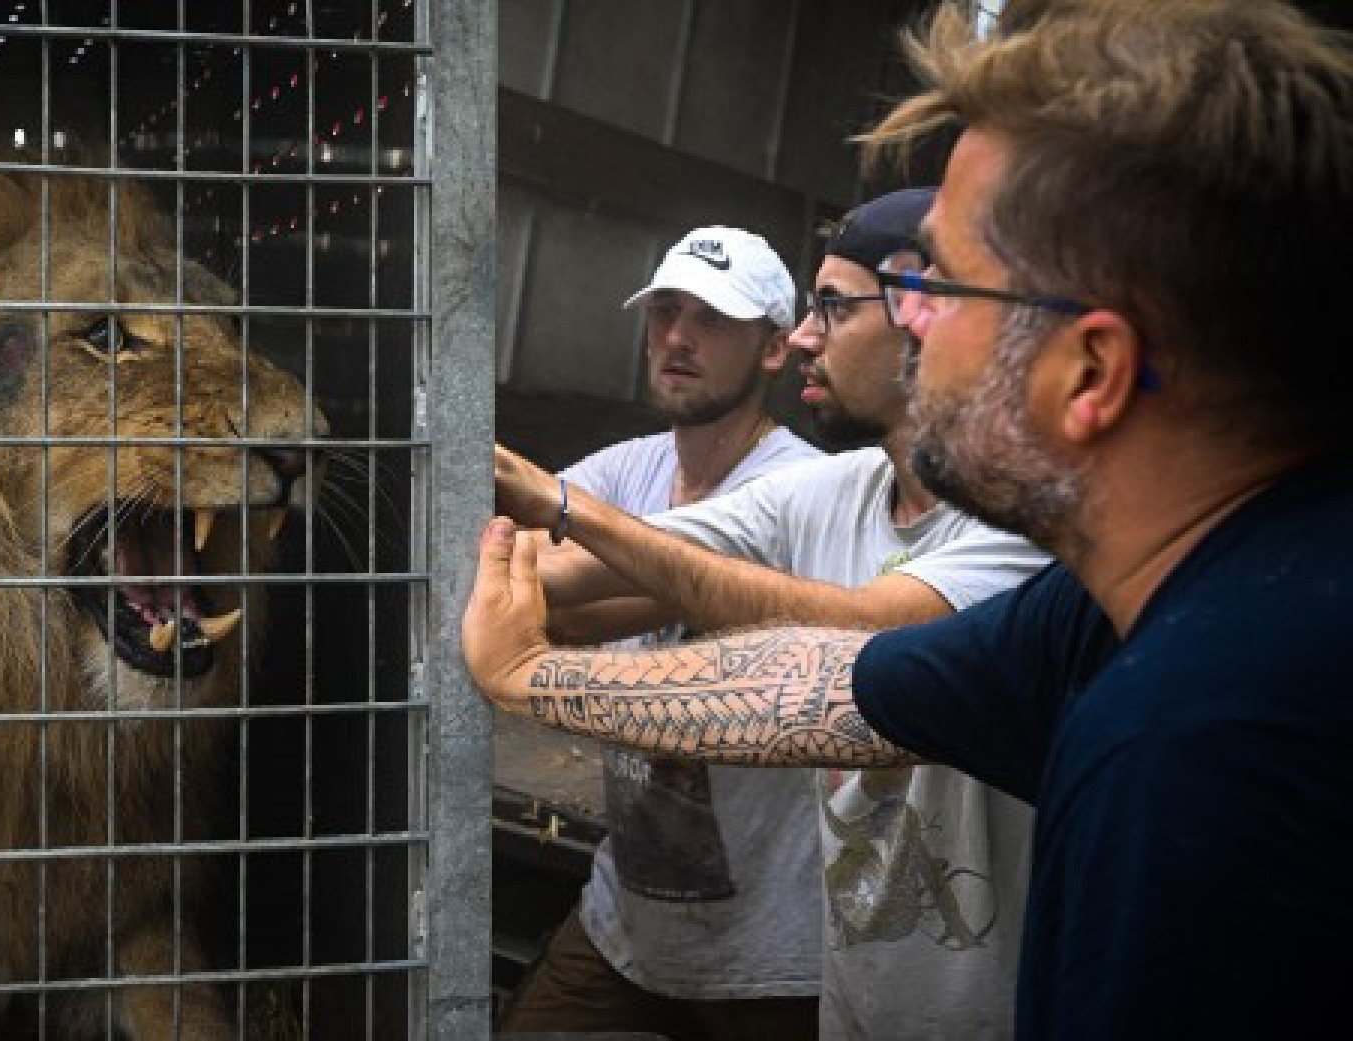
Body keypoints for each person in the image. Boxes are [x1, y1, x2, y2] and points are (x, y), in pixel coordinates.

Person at [462, 1, 1353, 1037]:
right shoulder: (1125, 606)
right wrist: (534, 675)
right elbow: (837, 684)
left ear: (1091, 373)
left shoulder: (1196, 758)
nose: (909, 323)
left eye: (941, 285)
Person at [500, 188, 1048, 1039]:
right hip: (837, 986)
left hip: (887, 984)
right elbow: (646, 567)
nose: (804, 336)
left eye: (829, 305)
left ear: (929, 311)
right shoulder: (832, 487)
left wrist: (534, 655)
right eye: (666, 313)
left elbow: (866, 641)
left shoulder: (1026, 522)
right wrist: (500, 552)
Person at [497, 226, 824, 1039]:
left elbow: (549, 584)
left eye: (712, 318)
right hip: (630, 918)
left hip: (772, 949)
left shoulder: (800, 487)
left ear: (776, 347)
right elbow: (511, 570)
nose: (678, 336)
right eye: (666, 312)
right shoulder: (627, 471)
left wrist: (563, 585)